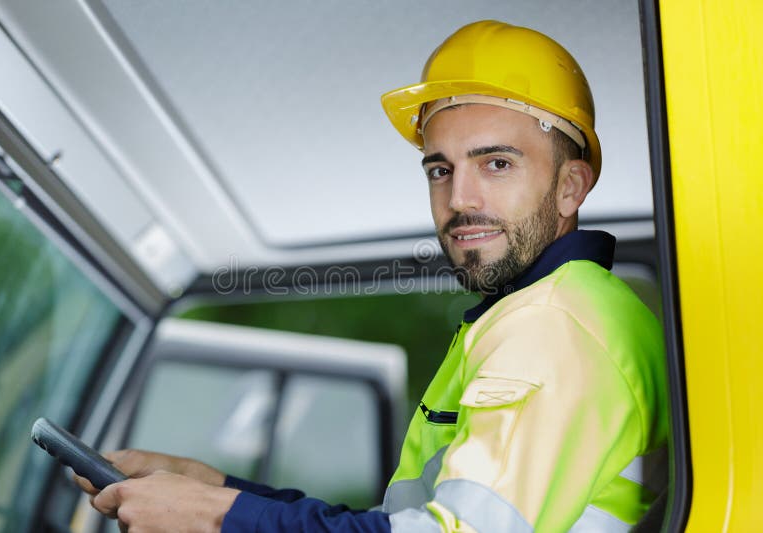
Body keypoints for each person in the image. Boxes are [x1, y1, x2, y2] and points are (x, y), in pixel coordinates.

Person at [75, 19, 668, 532]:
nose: (460, 198)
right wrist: (209, 487)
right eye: (440, 169)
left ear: (570, 187)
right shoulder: (558, 310)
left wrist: (212, 517)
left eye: (496, 163)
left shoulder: (551, 326)